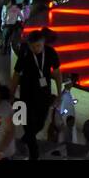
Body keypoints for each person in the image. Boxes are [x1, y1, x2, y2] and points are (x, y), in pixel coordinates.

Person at [11, 30, 61, 160]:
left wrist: (59, 94)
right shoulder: (25, 53)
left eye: (38, 46)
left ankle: (26, 138)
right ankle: (34, 153)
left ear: (43, 43)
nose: (36, 49)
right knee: (26, 123)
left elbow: (56, 74)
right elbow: (16, 74)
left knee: (40, 124)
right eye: (33, 46)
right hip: (26, 94)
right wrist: (11, 93)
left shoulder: (50, 53)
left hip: (44, 95)